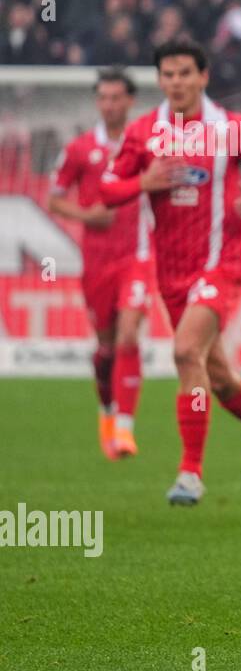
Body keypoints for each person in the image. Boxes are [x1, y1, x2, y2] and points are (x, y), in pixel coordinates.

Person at [100, 37, 241, 505]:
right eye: (168, 74)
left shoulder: (233, 130)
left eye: (185, 73)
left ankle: (190, 473)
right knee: (217, 375)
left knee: (185, 353)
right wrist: (145, 181)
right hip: (172, 272)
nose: (176, 82)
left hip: (220, 264)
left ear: (204, 76)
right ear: (159, 80)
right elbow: (107, 189)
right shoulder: (144, 132)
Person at [47, 68, 155, 459]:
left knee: (129, 334)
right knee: (105, 349)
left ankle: (125, 428)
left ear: (129, 101)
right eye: (103, 98)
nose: (109, 105)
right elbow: (54, 198)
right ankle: (107, 412)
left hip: (137, 255)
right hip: (96, 262)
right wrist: (87, 215)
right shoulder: (78, 150)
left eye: (116, 98)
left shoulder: (145, 145)